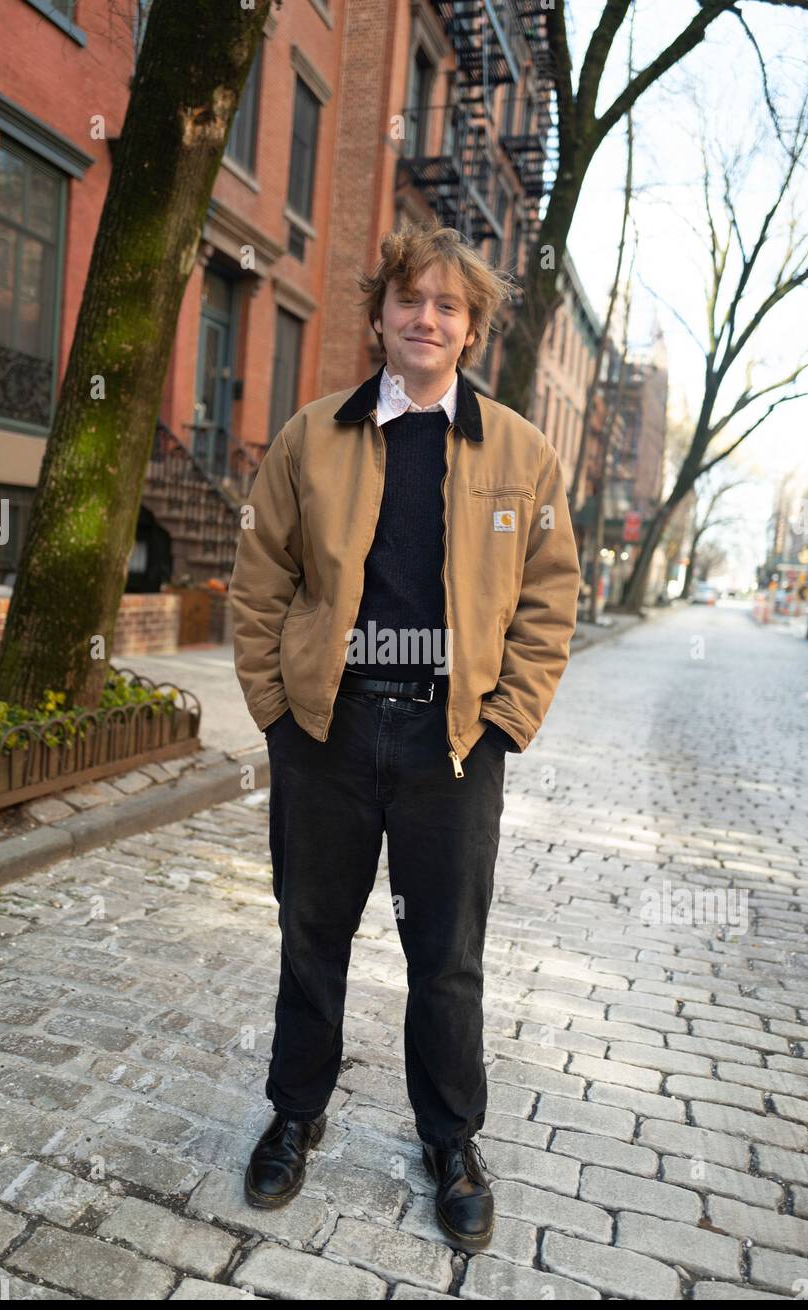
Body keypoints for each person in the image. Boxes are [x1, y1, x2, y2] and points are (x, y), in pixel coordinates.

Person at [228, 217, 581, 1252]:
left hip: (451, 748)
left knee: (448, 956)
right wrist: (277, 712)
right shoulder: (313, 436)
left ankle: (452, 1143)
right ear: (379, 315)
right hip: (329, 735)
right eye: (408, 300)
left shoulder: (520, 451)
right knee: (310, 935)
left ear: (470, 329)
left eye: (448, 306)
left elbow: (551, 597)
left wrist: (508, 716)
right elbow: (262, 581)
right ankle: (296, 1112)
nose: (426, 318)